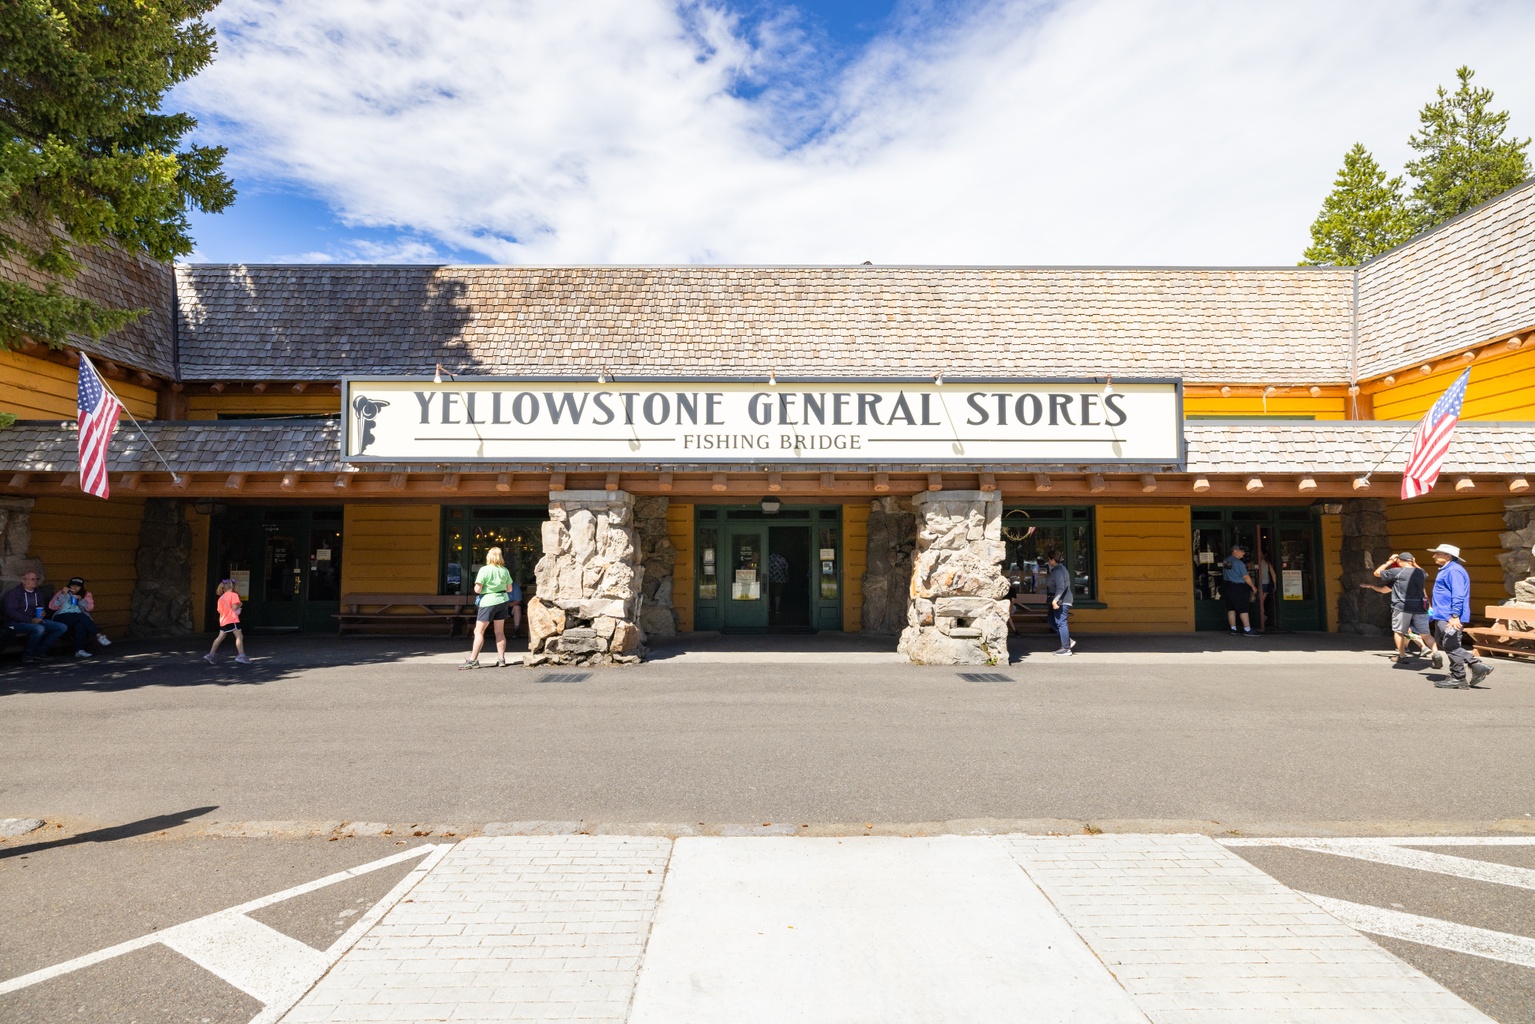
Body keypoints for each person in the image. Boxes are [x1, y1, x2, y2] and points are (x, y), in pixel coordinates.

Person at [1426, 544, 1491, 689]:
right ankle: (1472, 667)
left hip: (1449, 616)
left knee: (1451, 645)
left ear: (1447, 556)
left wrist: (1455, 615)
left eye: (1437, 554)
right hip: (1443, 614)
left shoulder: (1454, 570)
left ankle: (1460, 676)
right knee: (1443, 642)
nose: (1434, 556)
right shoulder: (1447, 569)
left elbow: (1458, 594)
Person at [1362, 553, 1437, 664]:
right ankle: (1436, 653)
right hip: (1420, 608)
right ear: (1411, 561)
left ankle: (1402, 656)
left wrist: (1390, 561)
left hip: (1402, 607)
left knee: (1399, 632)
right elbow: (1425, 574)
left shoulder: (1397, 572)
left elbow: (1377, 573)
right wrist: (1414, 562)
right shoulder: (1420, 573)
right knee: (1426, 634)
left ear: (1399, 561)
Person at [462, 546, 512, 669]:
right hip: (502, 601)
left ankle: (473, 660)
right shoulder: (504, 570)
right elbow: (509, 589)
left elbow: (477, 590)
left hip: (488, 602)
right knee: (499, 631)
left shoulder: (484, 570)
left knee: (479, 631)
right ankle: (501, 659)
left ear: (489, 556)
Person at [4, 570, 68, 661]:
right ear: (24, 581)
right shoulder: (14, 593)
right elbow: (11, 612)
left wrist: (43, 612)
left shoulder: (37, 593)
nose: (35, 581)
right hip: (14, 623)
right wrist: (30, 620)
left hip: (34, 620)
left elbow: (40, 606)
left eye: (36, 579)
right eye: (32, 579)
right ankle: (27, 655)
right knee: (39, 629)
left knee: (61, 627)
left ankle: (39, 652)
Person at [48, 576, 113, 658]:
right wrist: (63, 595)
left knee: (79, 625)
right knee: (80, 616)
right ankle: (99, 636)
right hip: (61, 616)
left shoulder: (86, 594)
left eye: (78, 586)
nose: (75, 588)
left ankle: (79, 650)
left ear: (81, 587)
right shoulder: (62, 592)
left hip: (78, 617)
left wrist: (81, 600)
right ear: (69, 585)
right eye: (72, 585)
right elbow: (52, 606)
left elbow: (89, 608)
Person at [205, 579, 251, 665]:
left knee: (220, 637)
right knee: (239, 636)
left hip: (223, 620)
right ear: (232, 586)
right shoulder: (234, 595)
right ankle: (241, 655)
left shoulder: (221, 598)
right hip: (232, 619)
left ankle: (211, 654)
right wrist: (240, 604)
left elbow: (219, 610)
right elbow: (234, 607)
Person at [1220, 543, 1258, 637]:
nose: (1243, 553)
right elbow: (1246, 577)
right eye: (1241, 551)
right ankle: (1247, 629)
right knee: (1243, 608)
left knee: (1231, 608)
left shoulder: (1226, 561)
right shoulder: (1239, 563)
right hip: (1238, 587)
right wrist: (1253, 586)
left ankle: (1233, 629)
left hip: (1227, 586)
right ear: (1235, 551)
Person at [1045, 549, 1075, 656]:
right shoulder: (1059, 569)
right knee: (1051, 620)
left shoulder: (1058, 571)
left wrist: (1055, 600)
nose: (1048, 561)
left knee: (1061, 623)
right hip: (1059, 600)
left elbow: (1061, 587)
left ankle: (1066, 648)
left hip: (1062, 600)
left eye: (1049, 559)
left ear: (1053, 560)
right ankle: (1067, 640)